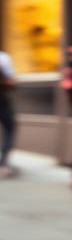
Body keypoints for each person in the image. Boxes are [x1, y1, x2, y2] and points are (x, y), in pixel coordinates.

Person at [0, 49, 17, 177]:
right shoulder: (3, 57)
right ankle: (3, 165)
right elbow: (10, 81)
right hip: (1, 99)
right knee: (10, 128)